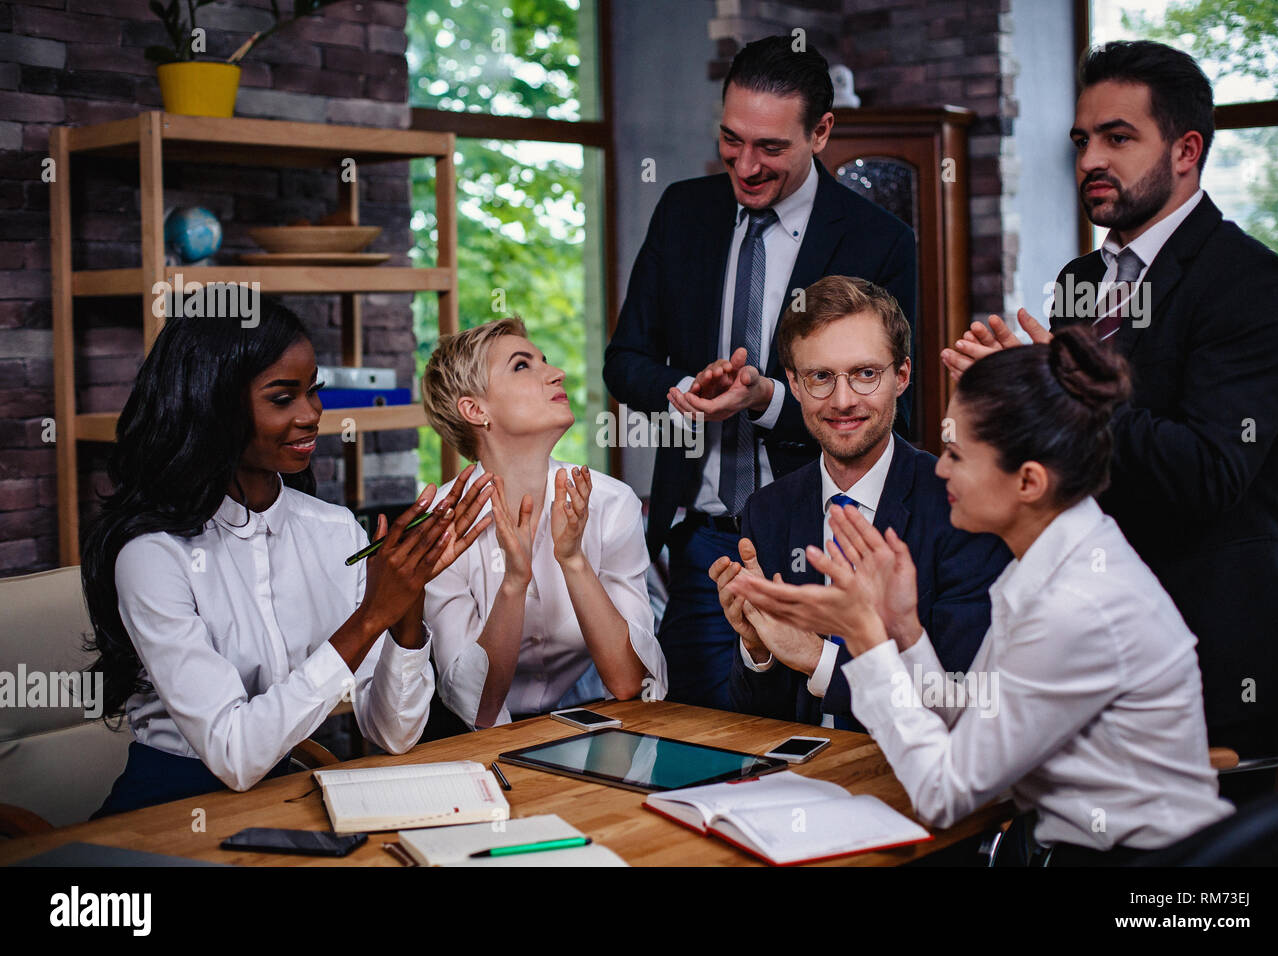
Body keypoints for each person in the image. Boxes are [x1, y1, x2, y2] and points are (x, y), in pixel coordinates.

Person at [730, 327, 1235, 864]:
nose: (940, 468)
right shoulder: (1050, 561)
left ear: (1029, 482)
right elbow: (973, 720)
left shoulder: (1075, 605)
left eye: (957, 455)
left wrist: (865, 638)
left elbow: (945, 795)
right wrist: (904, 627)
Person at [941, 40, 1278, 759]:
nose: (1088, 161)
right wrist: (1004, 393)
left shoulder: (1252, 283)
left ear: (1186, 149)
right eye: (1081, 141)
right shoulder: (1080, 277)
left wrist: (1060, 383)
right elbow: (1075, 453)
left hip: (1206, 648)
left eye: (1118, 138)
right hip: (1077, 639)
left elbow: (1209, 472)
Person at [82, 301, 494, 816]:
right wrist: (370, 617)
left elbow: (395, 734)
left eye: (313, 390)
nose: (311, 414)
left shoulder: (333, 531)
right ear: (213, 407)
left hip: (288, 796)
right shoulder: (153, 556)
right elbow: (234, 754)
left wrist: (405, 602)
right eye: (282, 398)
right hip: (168, 808)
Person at [603, 34, 917, 708]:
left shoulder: (878, 240)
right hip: (705, 541)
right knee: (697, 736)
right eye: (731, 140)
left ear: (821, 132)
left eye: (770, 147)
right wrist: (689, 391)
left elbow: (898, 405)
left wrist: (771, 397)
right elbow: (623, 362)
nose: (745, 165)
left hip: (828, 538)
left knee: (820, 739)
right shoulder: (682, 214)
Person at [709, 276, 1009, 730]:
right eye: (820, 377)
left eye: (866, 374)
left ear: (901, 376)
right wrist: (759, 650)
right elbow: (759, 720)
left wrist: (816, 657)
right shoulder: (767, 510)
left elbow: (960, 705)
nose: (843, 400)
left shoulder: (961, 505)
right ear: (793, 382)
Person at [421, 318, 667, 729]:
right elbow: (476, 708)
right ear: (475, 409)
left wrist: (572, 560)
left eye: (545, 361)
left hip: (597, 728)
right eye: (522, 365)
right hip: (476, 744)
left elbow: (630, 684)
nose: (556, 373)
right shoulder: (442, 524)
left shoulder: (611, 503)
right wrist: (514, 582)